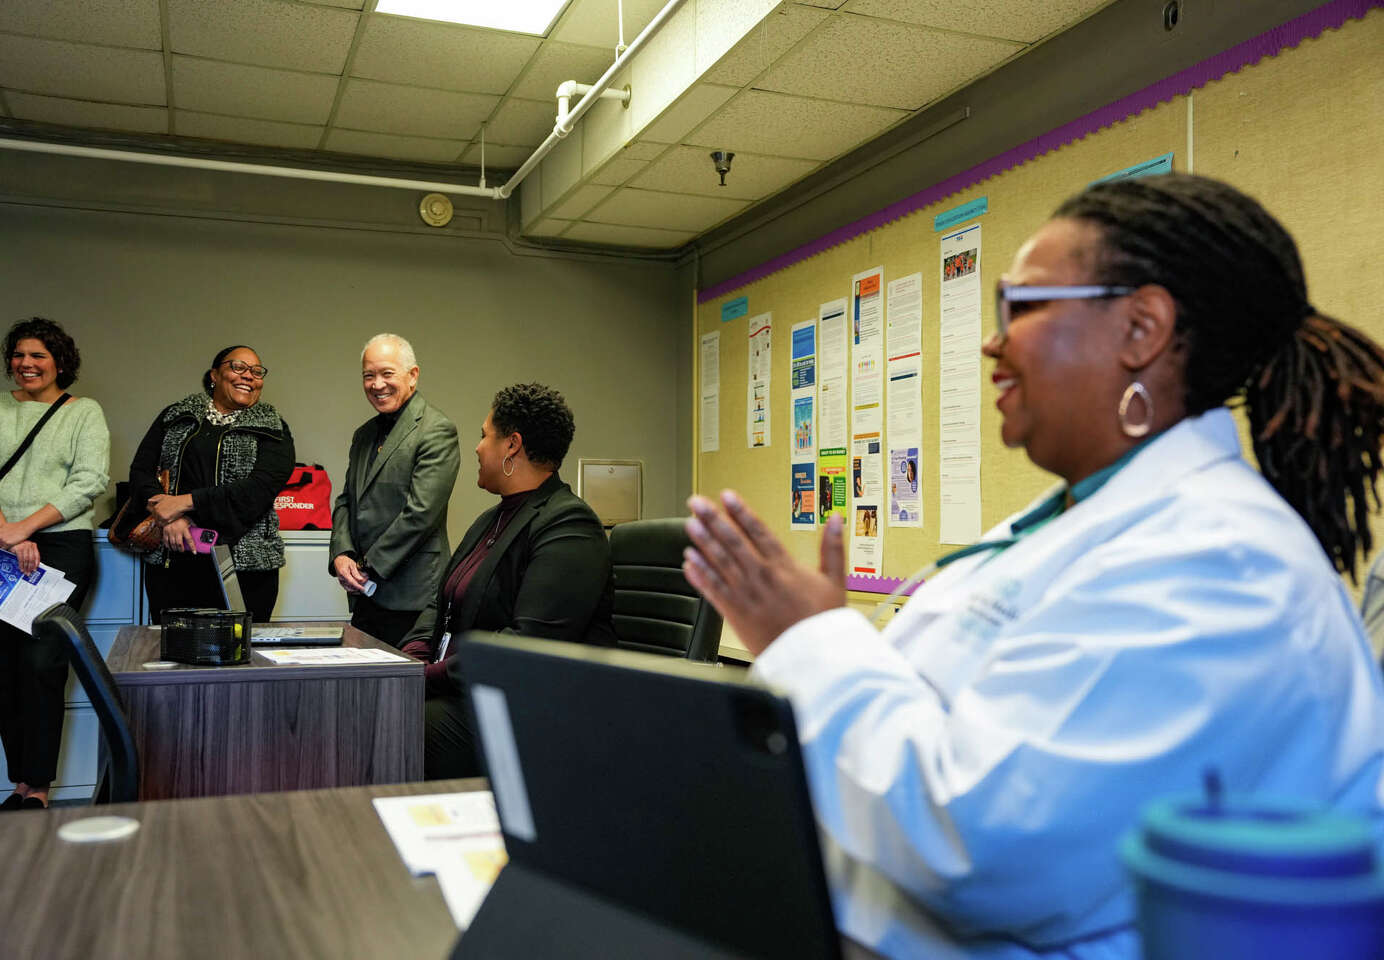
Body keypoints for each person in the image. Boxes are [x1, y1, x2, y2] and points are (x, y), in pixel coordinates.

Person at [682, 174, 1384, 958]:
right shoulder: (1078, 523)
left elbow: (974, 847)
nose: (993, 339)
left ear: (1141, 329)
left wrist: (810, 639)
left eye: (1024, 307)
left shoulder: (1220, 564)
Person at [400, 383, 616, 779]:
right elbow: (441, 602)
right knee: (381, 708)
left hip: (527, 708)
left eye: (484, 435)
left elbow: (528, 645)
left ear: (512, 445)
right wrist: (414, 653)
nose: (479, 448)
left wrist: (427, 678)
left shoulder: (570, 524)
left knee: (395, 723)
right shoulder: (491, 519)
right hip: (470, 692)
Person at [0, 318, 109, 811]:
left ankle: (38, 788)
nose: (26, 364)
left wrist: (26, 529)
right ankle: (18, 781)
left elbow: (89, 480)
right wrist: (3, 530)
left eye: (38, 355)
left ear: (60, 361)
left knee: (43, 662)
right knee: (4, 665)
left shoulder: (84, 413)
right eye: (19, 355)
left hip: (60, 546)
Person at [129, 345, 293, 624]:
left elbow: (259, 490)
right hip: (174, 558)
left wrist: (184, 502)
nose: (248, 376)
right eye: (238, 367)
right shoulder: (176, 416)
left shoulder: (273, 427)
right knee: (174, 653)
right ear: (214, 375)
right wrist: (169, 518)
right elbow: (141, 472)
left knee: (240, 656)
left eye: (256, 371)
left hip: (245, 565)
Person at [330, 333, 459, 647]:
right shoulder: (363, 435)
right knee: (362, 685)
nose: (377, 384)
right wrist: (342, 554)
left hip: (412, 597)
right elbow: (347, 499)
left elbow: (420, 514)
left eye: (387, 373)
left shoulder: (436, 430)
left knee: (402, 692)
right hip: (366, 595)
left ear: (412, 376)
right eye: (368, 375)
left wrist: (363, 567)